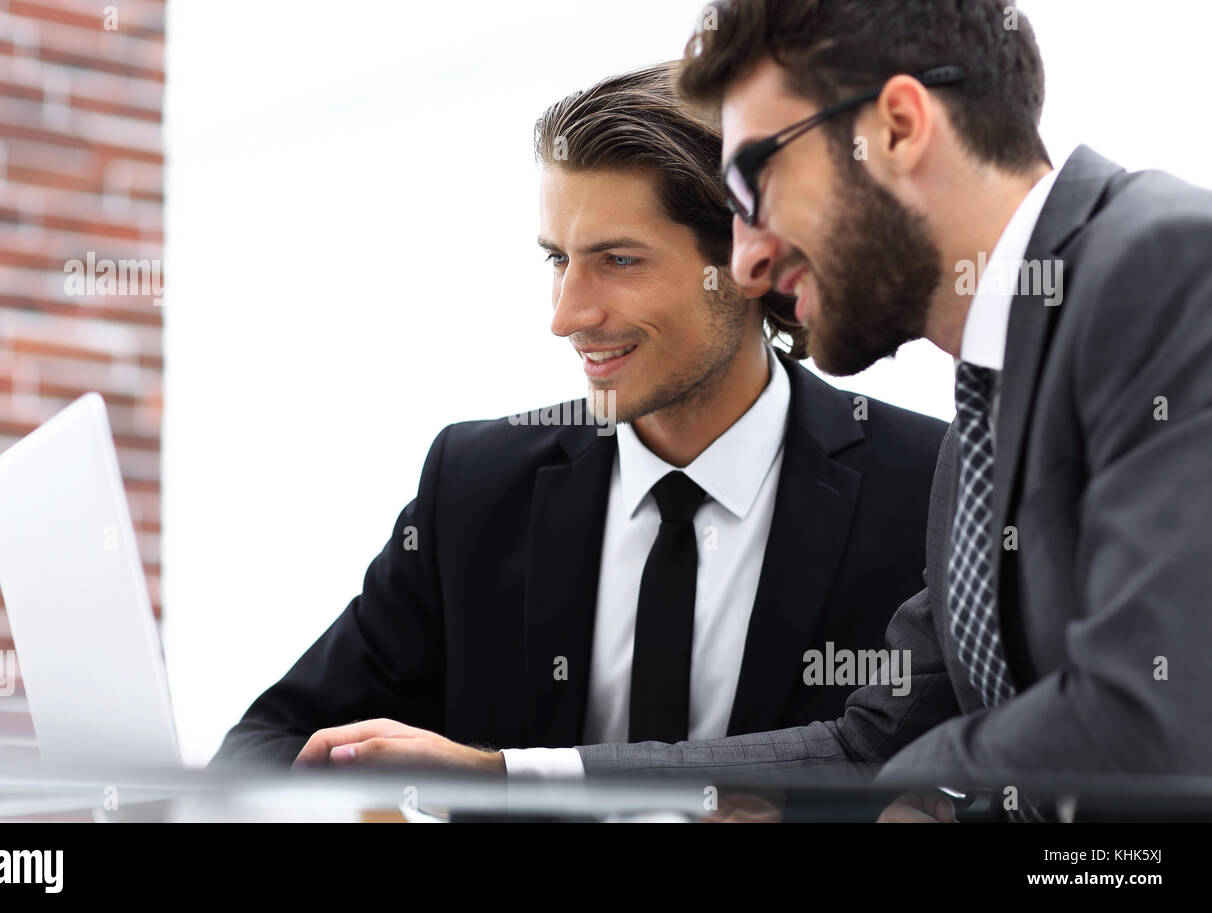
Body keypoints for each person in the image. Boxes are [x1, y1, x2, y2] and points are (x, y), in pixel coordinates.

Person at [322, 1, 1212, 823]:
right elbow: (875, 739)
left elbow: (1149, 714)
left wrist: (923, 795)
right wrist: (505, 777)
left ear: (898, 129)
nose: (744, 265)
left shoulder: (1164, 264)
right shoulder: (984, 413)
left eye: (756, 181)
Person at [210, 62, 946, 771]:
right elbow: (267, 743)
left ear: (749, 258)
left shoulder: (923, 488)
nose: (567, 316)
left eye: (618, 261)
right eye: (557, 260)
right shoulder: (474, 487)